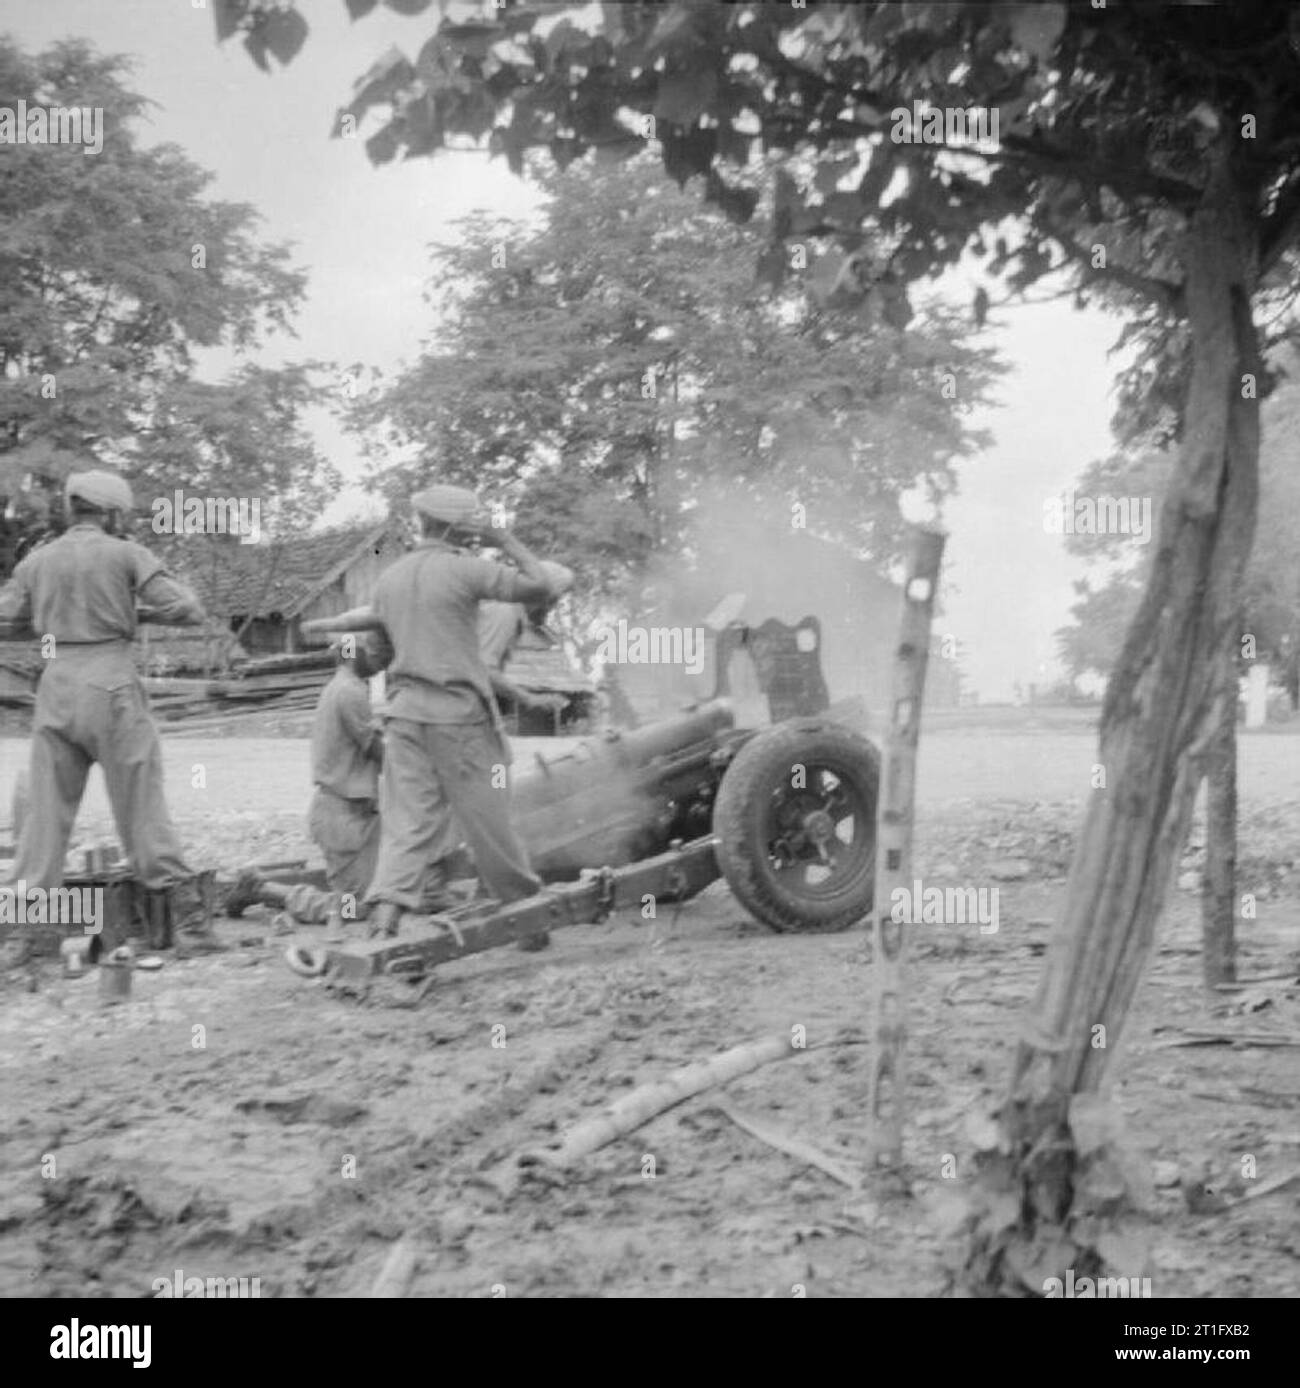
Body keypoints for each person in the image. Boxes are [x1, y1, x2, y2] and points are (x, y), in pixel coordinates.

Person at [302, 485, 571, 939]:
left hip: (405, 720)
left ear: (424, 522)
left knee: (407, 826)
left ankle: (385, 918)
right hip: (460, 721)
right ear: (465, 528)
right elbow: (539, 584)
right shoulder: (468, 571)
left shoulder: (389, 579)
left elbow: (380, 651)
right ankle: (527, 918)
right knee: (490, 820)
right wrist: (503, 541)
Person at [0, 470, 216, 955]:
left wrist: (50, 621)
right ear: (113, 513)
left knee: (43, 814)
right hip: (112, 680)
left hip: (56, 684)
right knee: (140, 802)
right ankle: (188, 927)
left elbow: (5, 620)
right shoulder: (126, 554)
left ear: (73, 509)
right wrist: (132, 612)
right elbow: (188, 610)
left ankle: (28, 941)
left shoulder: (37, 561)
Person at [223, 633, 386, 925]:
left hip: (350, 812)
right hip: (344, 815)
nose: (379, 657)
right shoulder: (349, 692)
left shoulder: (343, 688)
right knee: (354, 908)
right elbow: (379, 751)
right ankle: (266, 891)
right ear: (352, 654)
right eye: (372, 650)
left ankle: (267, 889)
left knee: (377, 894)